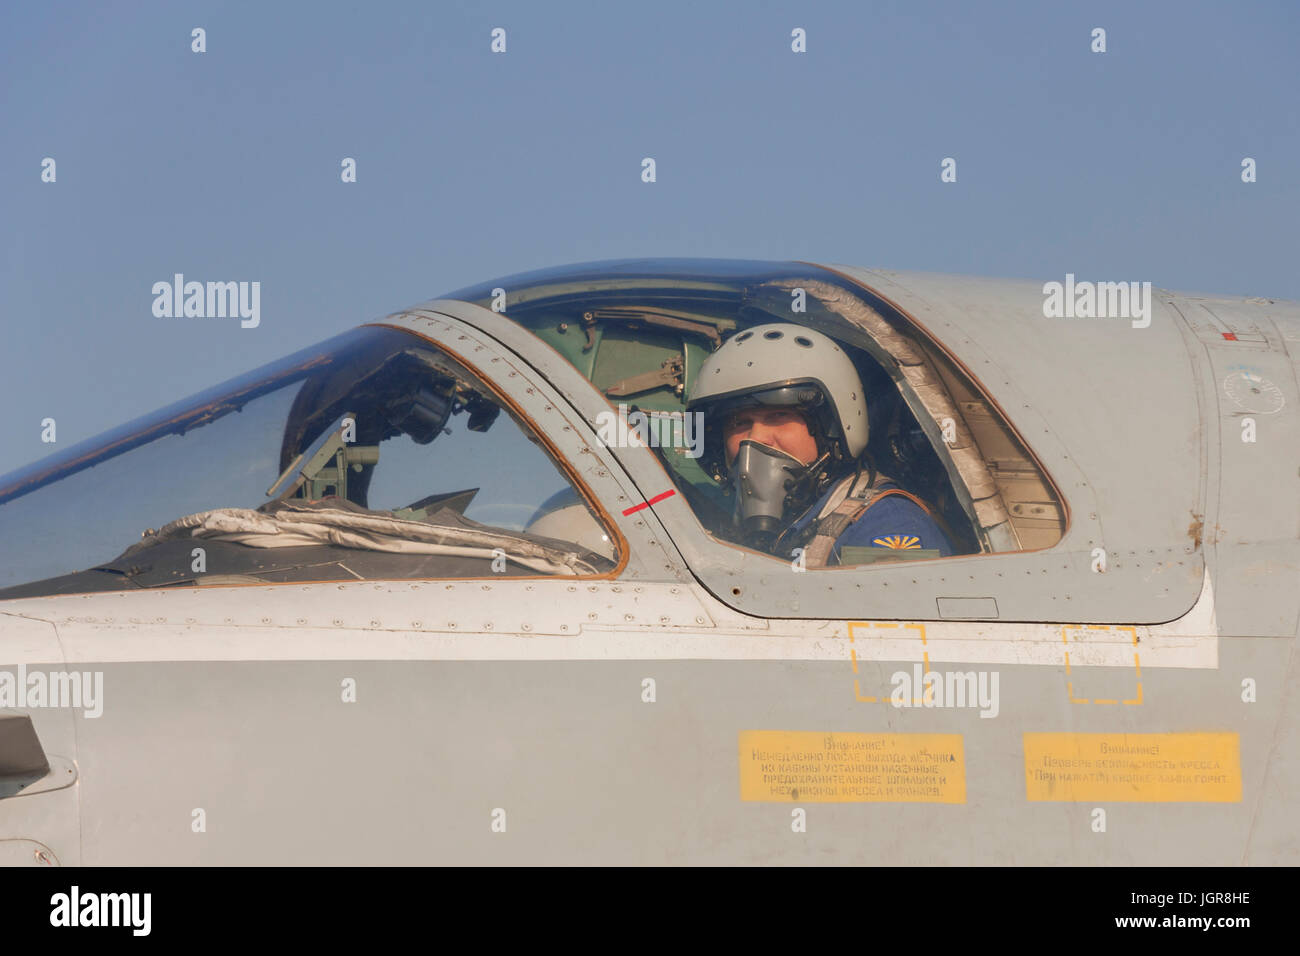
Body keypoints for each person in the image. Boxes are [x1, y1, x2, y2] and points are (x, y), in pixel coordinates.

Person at [685, 323, 953, 566]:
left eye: (778, 416)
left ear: (831, 427)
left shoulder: (887, 526)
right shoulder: (765, 521)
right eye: (739, 423)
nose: (755, 439)